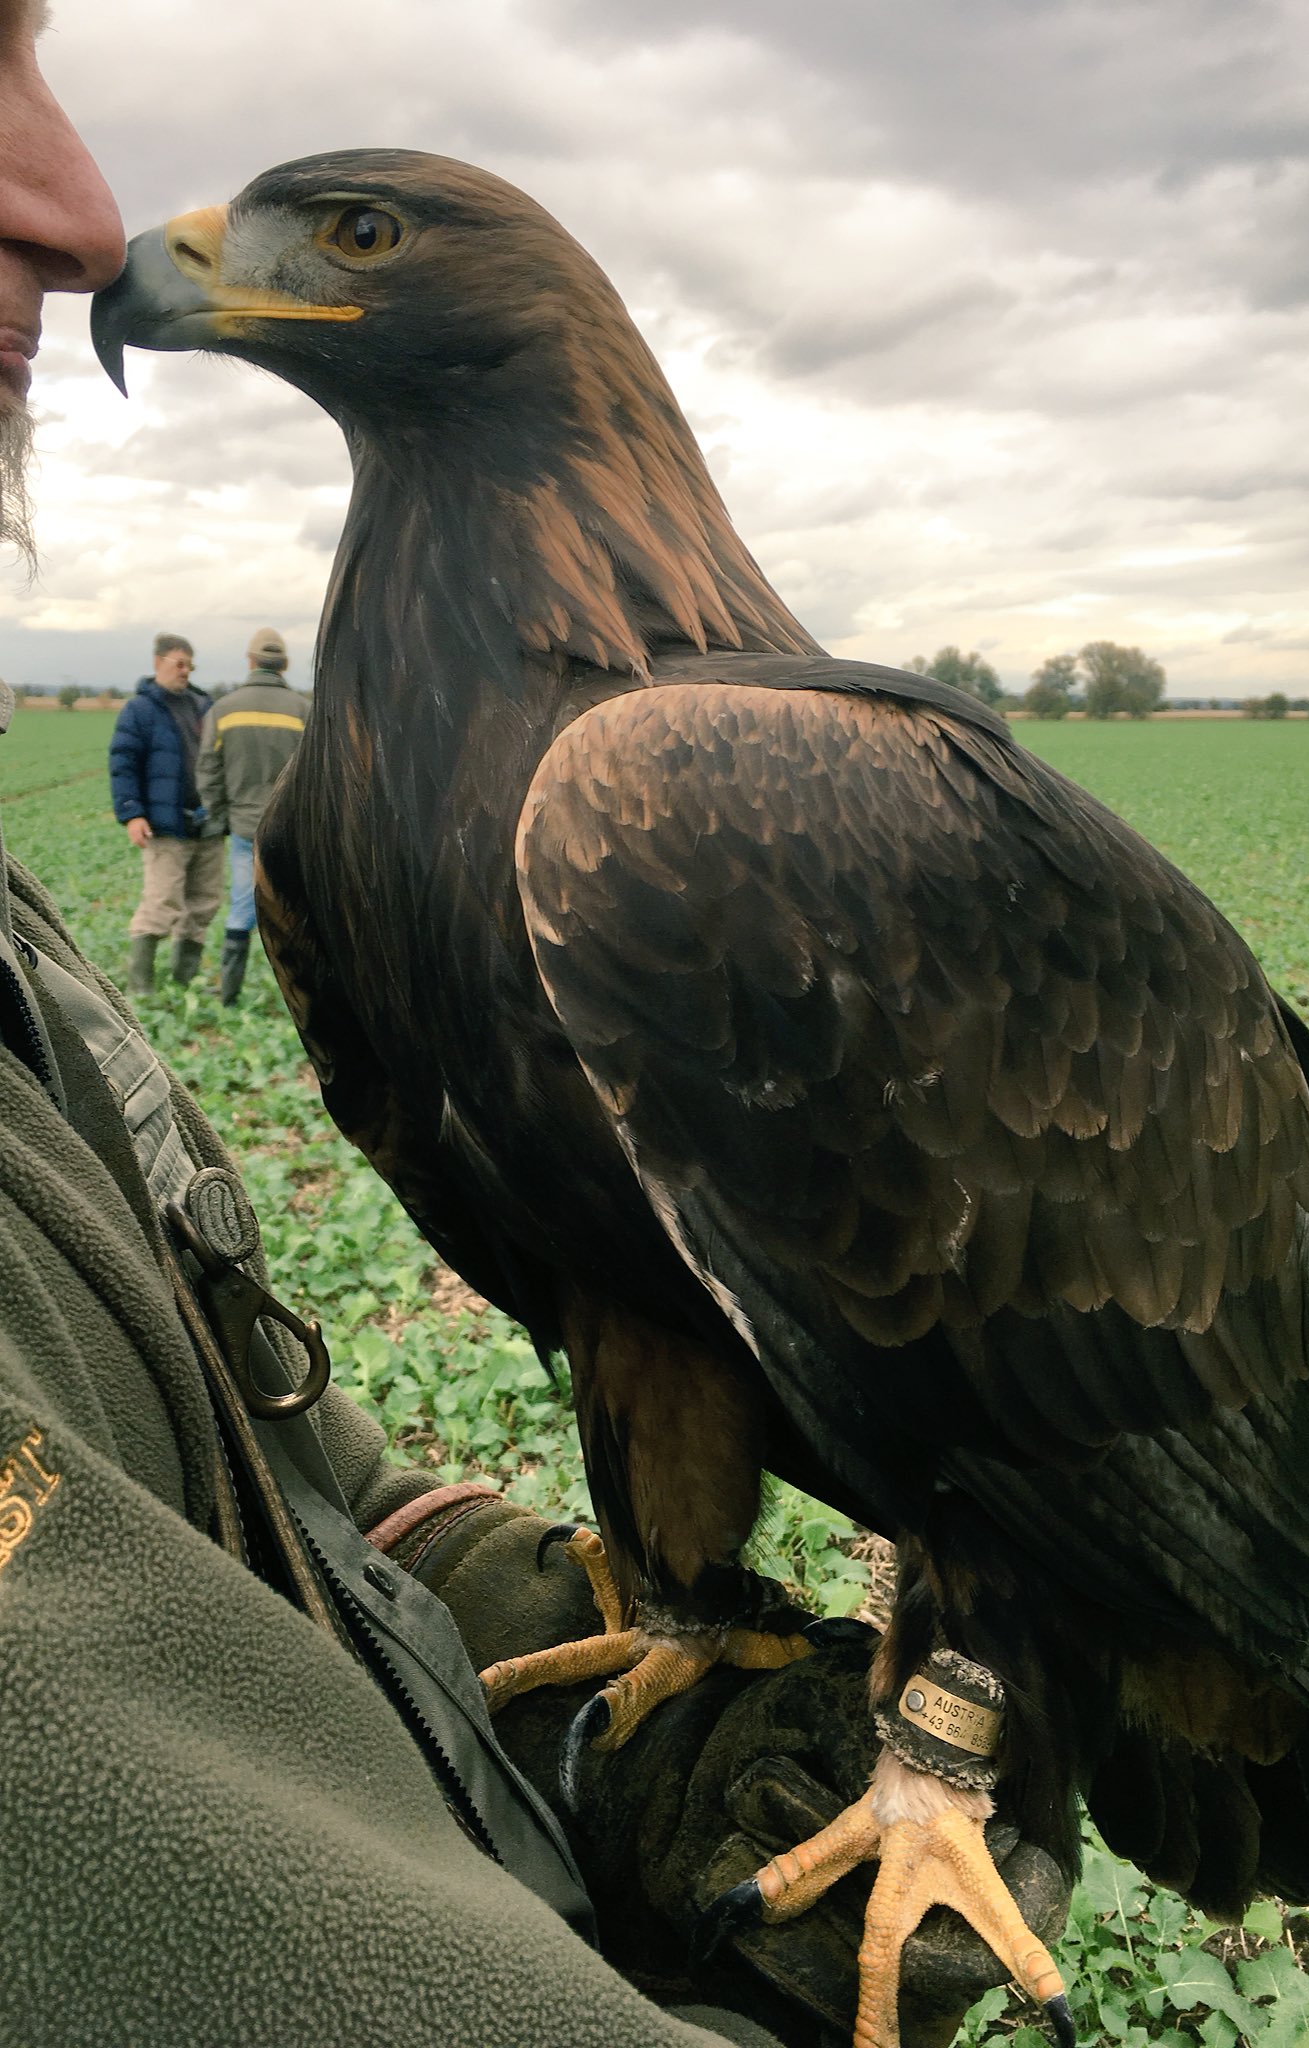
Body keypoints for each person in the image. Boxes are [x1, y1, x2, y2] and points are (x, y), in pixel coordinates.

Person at [0, 9, 1064, 2044]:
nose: (101, 224)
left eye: (360, 235)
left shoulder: (725, 791)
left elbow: (226, 1426)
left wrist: (472, 1579)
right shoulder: (345, 850)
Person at [107, 629, 226, 991]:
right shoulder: (140, 710)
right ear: (158, 663)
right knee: (161, 904)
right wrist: (132, 813)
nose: (186, 671)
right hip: (165, 825)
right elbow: (123, 762)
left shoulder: (203, 706)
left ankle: (183, 982)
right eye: (179, 664)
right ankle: (140, 988)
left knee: (203, 904)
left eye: (190, 665)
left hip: (207, 826)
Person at [196, 625, 309, 1002]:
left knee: (243, 903)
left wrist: (219, 814)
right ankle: (304, 994)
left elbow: (208, 769)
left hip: (245, 828)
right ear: (285, 664)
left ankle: (229, 994)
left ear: (250, 661)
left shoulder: (223, 710)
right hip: (293, 833)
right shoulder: (304, 711)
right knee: (298, 908)